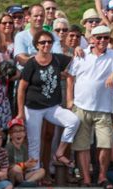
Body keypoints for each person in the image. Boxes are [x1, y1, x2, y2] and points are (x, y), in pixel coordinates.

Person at [67, 24, 113, 189]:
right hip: (81, 105)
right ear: (92, 39)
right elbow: (70, 76)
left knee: (105, 144)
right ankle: (85, 179)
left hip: (104, 108)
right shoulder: (81, 54)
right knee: (82, 145)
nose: (103, 41)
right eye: (99, 38)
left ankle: (102, 177)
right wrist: (69, 100)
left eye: (106, 37)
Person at [16, 30, 79, 176]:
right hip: (33, 107)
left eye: (49, 42)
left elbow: (76, 65)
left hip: (52, 107)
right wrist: (20, 112)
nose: (46, 45)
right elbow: (21, 89)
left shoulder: (58, 59)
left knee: (73, 121)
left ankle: (60, 152)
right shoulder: (31, 63)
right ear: (36, 45)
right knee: (34, 143)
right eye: (42, 42)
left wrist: (78, 49)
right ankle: (34, 174)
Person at [6, 117, 46, 186]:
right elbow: (9, 166)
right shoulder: (9, 147)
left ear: (25, 133)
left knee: (42, 171)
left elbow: (25, 168)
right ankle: (24, 184)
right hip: (11, 175)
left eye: (21, 131)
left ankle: (26, 183)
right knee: (16, 168)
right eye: (15, 131)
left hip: (22, 174)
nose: (19, 134)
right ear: (11, 134)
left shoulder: (24, 147)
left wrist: (29, 164)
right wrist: (24, 165)